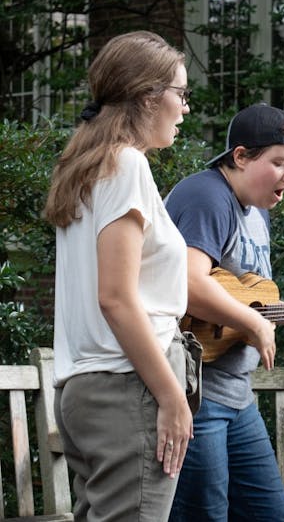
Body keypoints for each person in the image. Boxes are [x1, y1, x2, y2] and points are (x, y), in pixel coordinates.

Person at [165, 103, 284, 521]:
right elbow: (188, 285)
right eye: (280, 162)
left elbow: (246, 297)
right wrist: (252, 322)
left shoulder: (257, 211)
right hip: (194, 396)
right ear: (241, 156)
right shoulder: (207, 195)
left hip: (235, 396)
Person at [43, 31, 195, 521]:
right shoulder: (126, 164)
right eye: (181, 94)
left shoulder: (85, 165)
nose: (185, 108)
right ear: (150, 97)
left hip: (85, 390)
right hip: (129, 387)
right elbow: (117, 298)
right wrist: (172, 398)